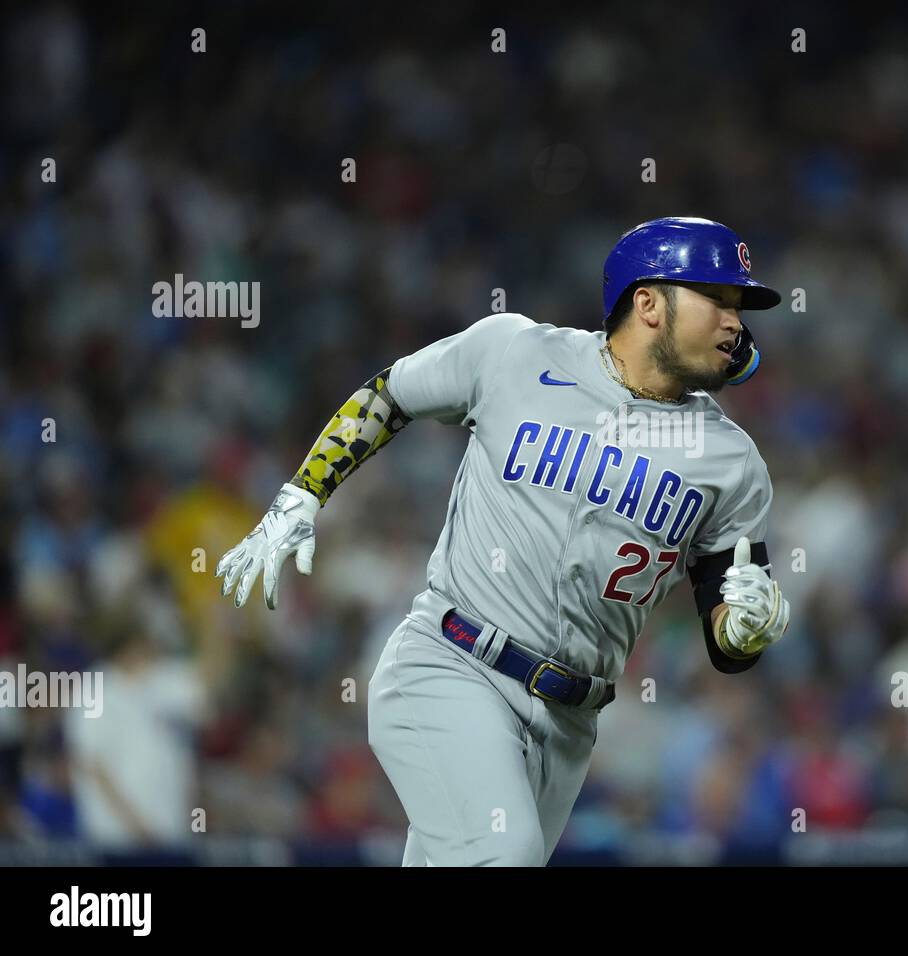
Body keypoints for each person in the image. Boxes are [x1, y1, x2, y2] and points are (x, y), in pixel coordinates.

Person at [214, 216, 794, 865]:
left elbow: (726, 622)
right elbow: (391, 394)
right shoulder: (517, 352)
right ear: (649, 301)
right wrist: (305, 490)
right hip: (453, 665)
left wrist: (743, 629)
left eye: (739, 306)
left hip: (570, 723)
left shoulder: (731, 463)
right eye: (718, 299)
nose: (735, 322)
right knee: (502, 854)